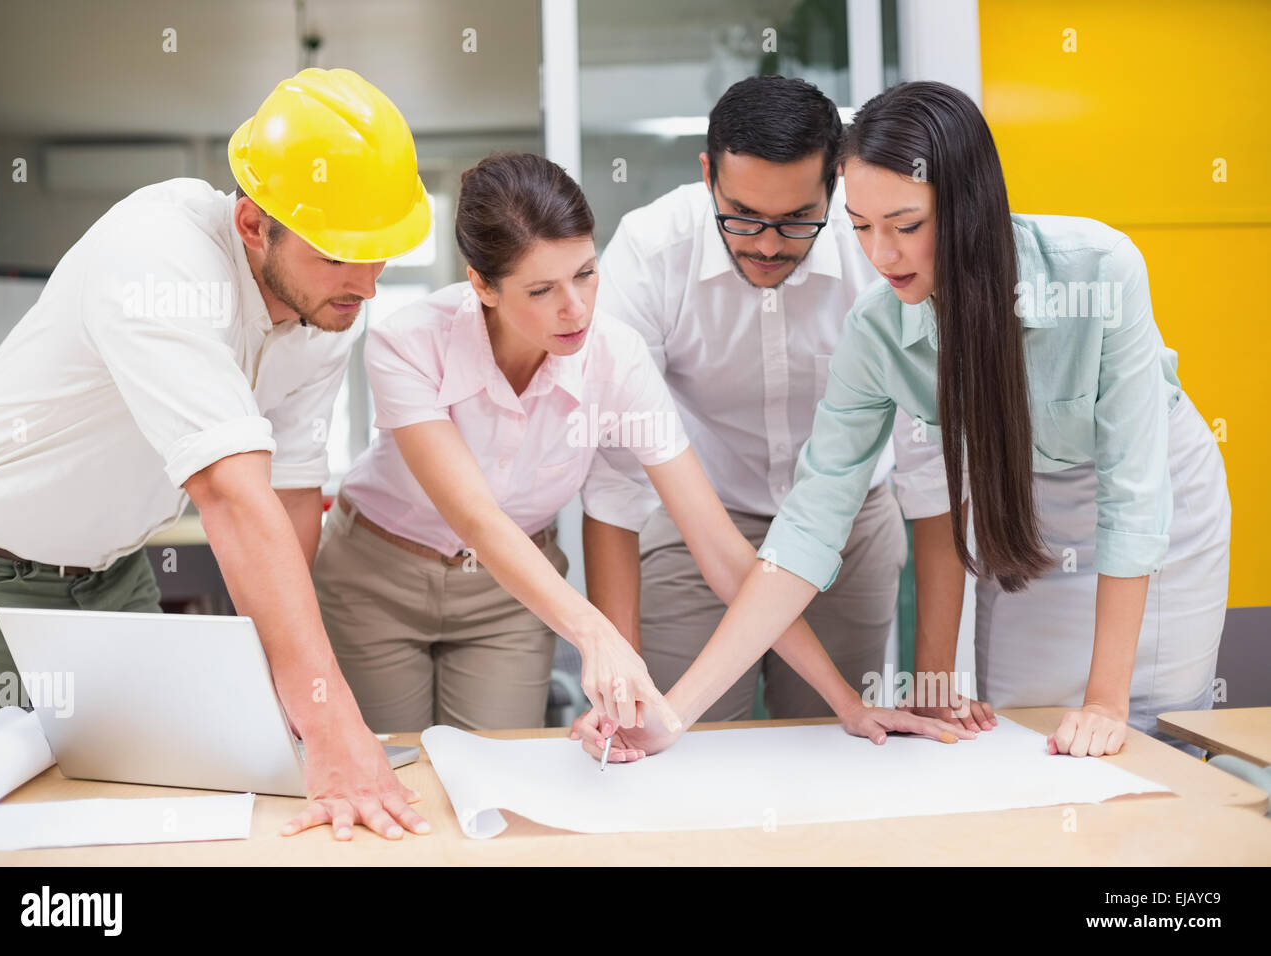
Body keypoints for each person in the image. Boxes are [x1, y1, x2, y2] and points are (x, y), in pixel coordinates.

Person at [571, 80, 1230, 761]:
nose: (880, 256)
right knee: (1028, 737)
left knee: (1141, 733)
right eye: (859, 227)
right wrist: (671, 716)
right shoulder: (879, 330)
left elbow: (1133, 495)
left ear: (970, 205)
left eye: (906, 227)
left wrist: (1105, 702)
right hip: (1022, 512)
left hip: (1159, 512)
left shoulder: (1099, 269)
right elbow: (809, 526)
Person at [312, 152, 964, 751]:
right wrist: (597, 634)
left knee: (495, 768)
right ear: (483, 286)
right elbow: (476, 517)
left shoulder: (615, 355)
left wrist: (847, 703)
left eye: (586, 275)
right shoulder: (405, 342)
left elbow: (726, 556)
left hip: (510, 593)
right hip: (378, 573)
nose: (575, 309)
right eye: (541, 291)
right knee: (401, 767)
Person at [0, 68, 438, 840]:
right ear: (254, 225)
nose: (367, 285)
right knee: (1, 824)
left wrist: (293, 703)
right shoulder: (157, 259)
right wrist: (332, 726)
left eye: (379, 254)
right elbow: (230, 494)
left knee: (170, 810)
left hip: (116, 579)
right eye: (338, 255)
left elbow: (289, 497)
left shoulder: (331, 306)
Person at [583, 75, 915, 721]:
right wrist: (619, 668)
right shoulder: (651, 253)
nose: (766, 244)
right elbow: (614, 481)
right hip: (698, 520)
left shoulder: (874, 251)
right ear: (708, 173)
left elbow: (928, 446)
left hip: (850, 524)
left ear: (836, 182)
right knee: (690, 742)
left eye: (795, 220)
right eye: (743, 215)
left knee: (831, 744)